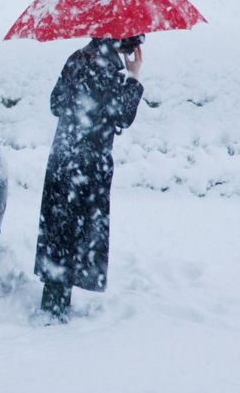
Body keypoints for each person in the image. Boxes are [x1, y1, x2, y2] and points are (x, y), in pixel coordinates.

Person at [34, 34, 145, 322]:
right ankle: (55, 309)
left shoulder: (77, 57)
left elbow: (56, 104)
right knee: (77, 232)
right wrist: (133, 77)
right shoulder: (107, 68)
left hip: (63, 157)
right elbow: (121, 116)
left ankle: (54, 300)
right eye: (133, 41)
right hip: (89, 163)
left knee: (60, 230)